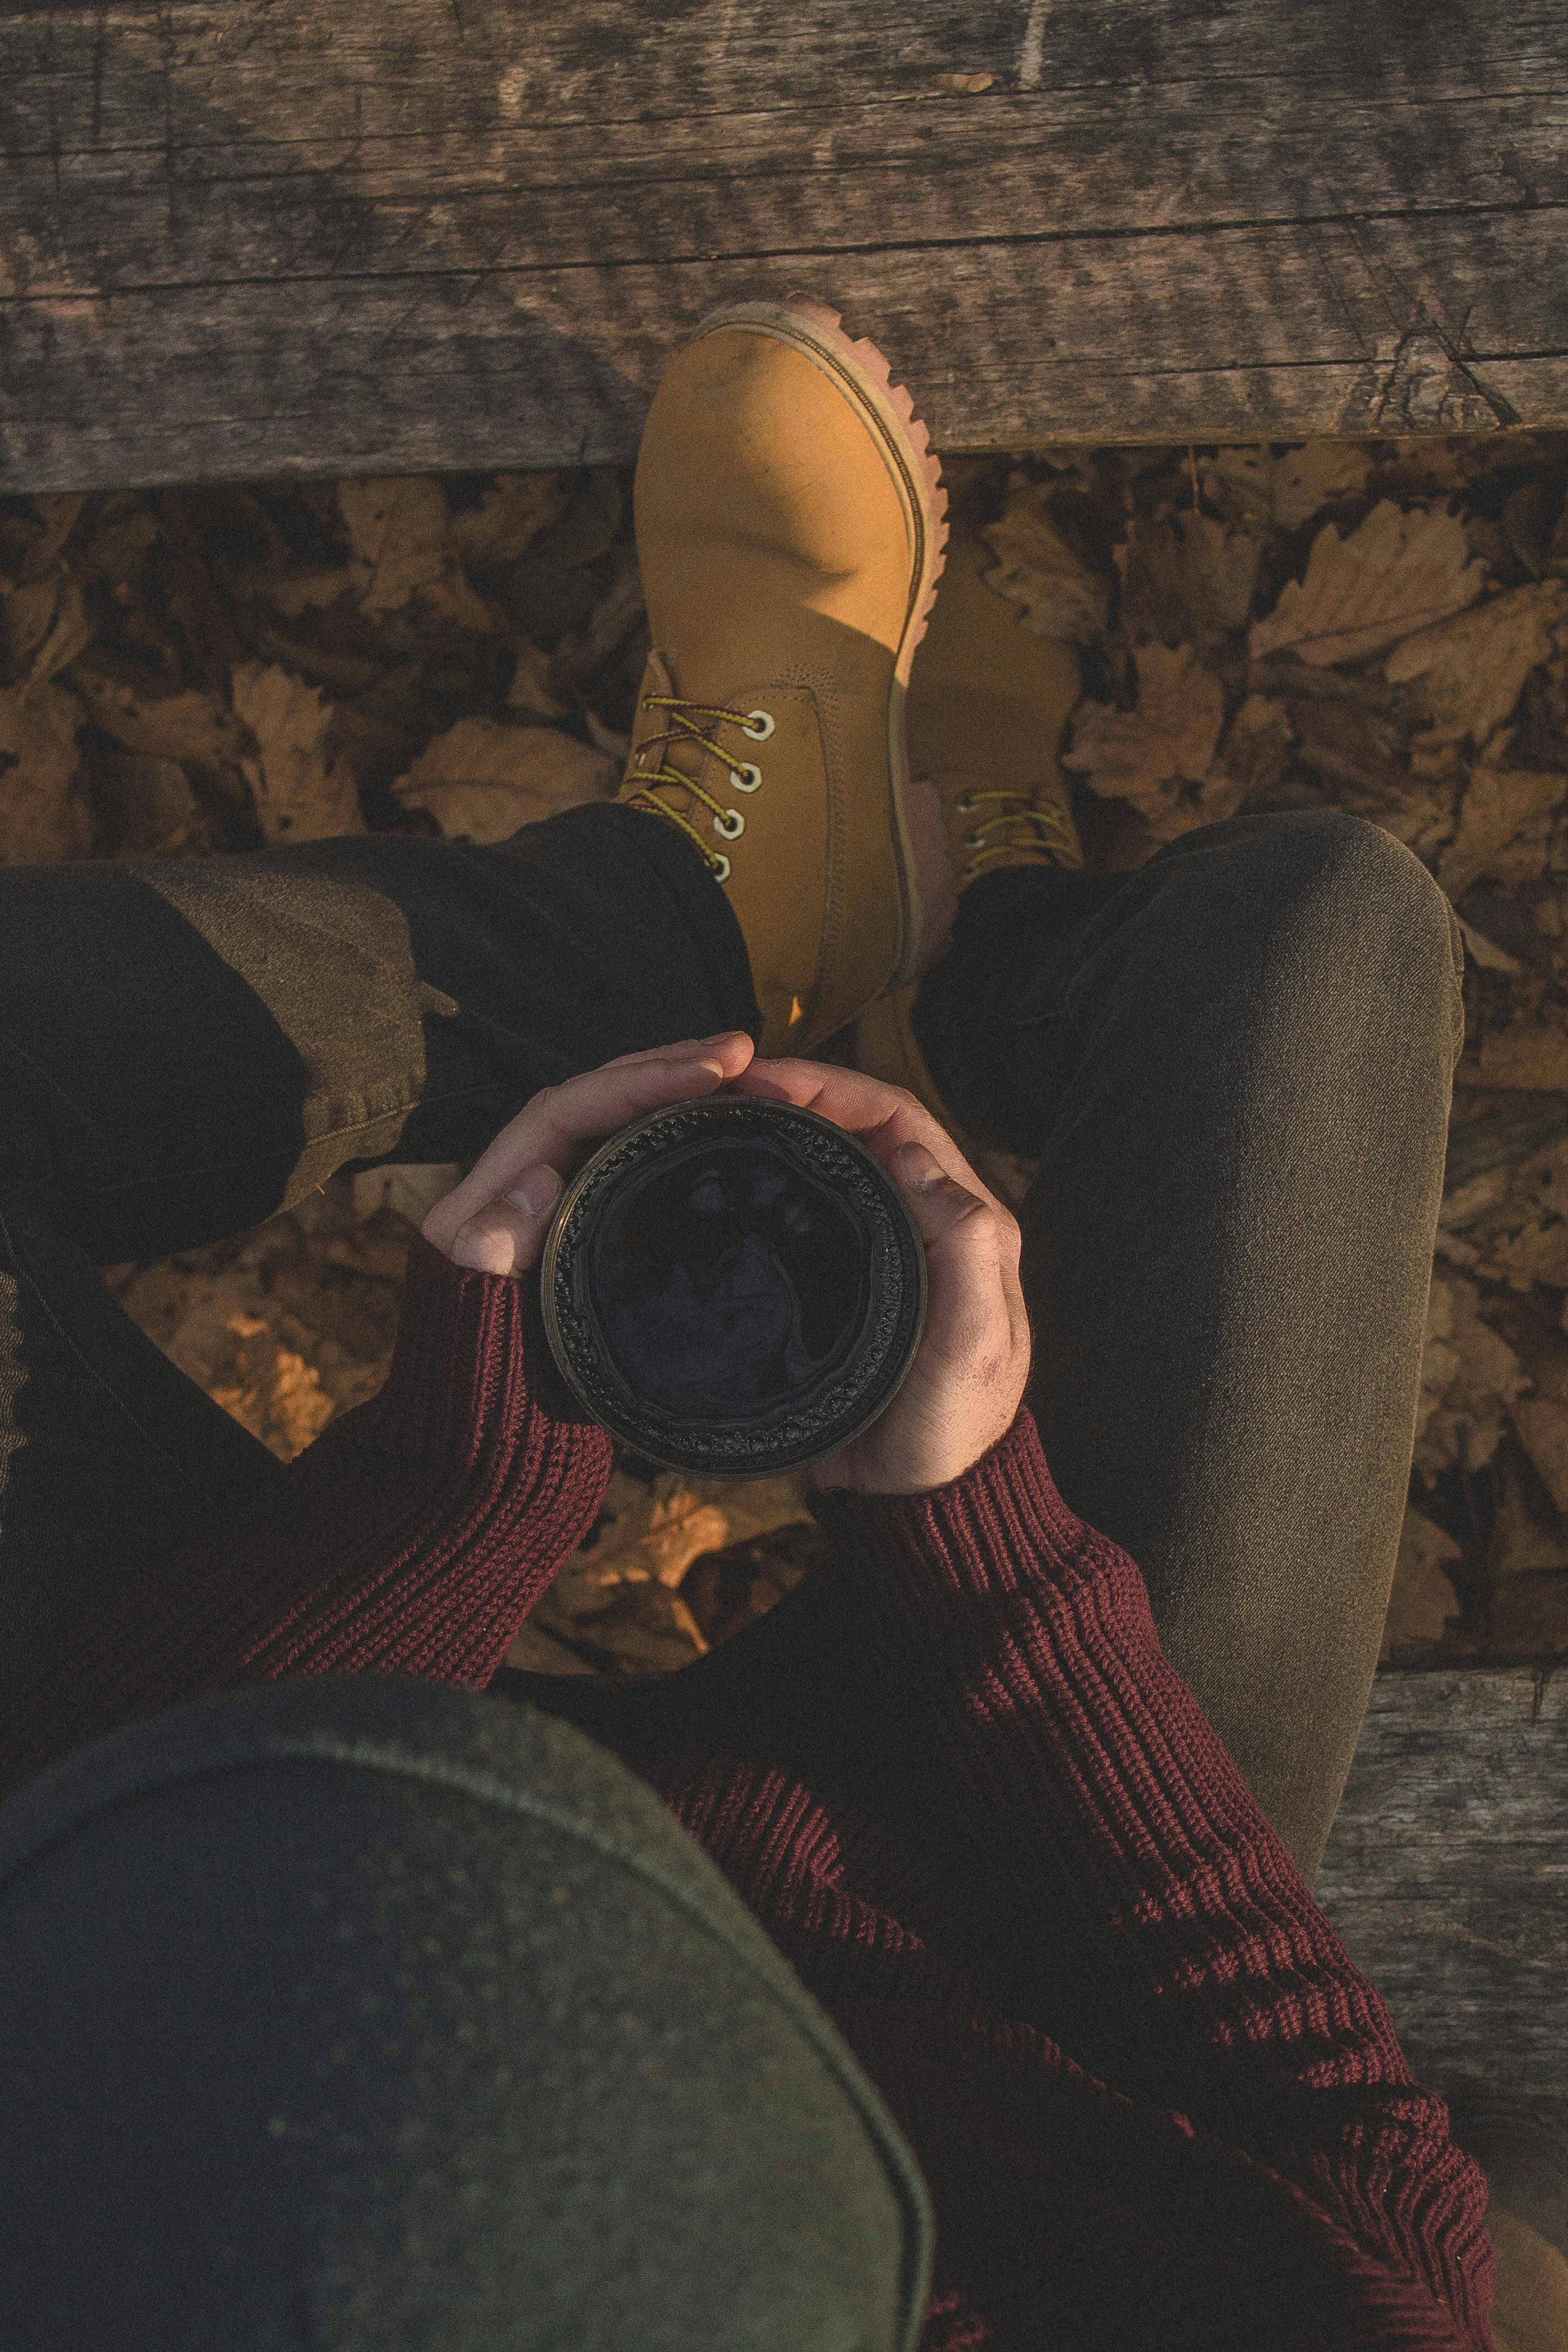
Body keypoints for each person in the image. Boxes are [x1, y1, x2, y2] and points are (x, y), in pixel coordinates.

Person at [0, 293, 1561, 2351]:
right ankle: (954, 951)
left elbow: (71, 1882)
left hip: (207, 1829)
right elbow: (1351, 2173)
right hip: (969, 1914)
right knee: (1318, 938)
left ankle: (697, 913)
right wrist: (976, 1523)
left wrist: (460, 1490)